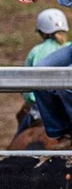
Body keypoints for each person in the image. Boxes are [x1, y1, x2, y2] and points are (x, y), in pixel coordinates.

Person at [21, 9, 72, 149]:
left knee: (20, 132)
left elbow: (28, 90)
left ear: (42, 32)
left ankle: (61, 132)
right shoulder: (67, 46)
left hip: (40, 107)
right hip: (63, 100)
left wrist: (29, 100)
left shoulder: (37, 51)